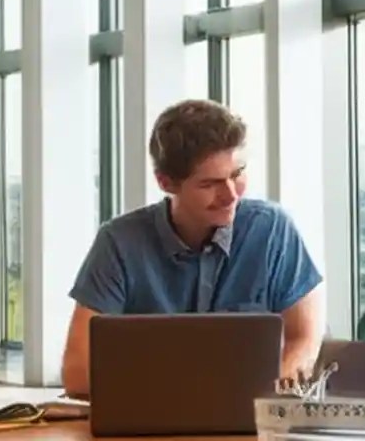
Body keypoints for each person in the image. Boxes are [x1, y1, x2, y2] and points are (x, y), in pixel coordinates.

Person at [60, 99, 325, 398]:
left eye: (237, 174)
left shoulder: (272, 229)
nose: (231, 195)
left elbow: (304, 340)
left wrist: (272, 394)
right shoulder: (120, 243)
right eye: (210, 184)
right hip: (153, 415)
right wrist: (194, 394)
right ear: (166, 183)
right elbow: (78, 374)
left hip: (254, 414)